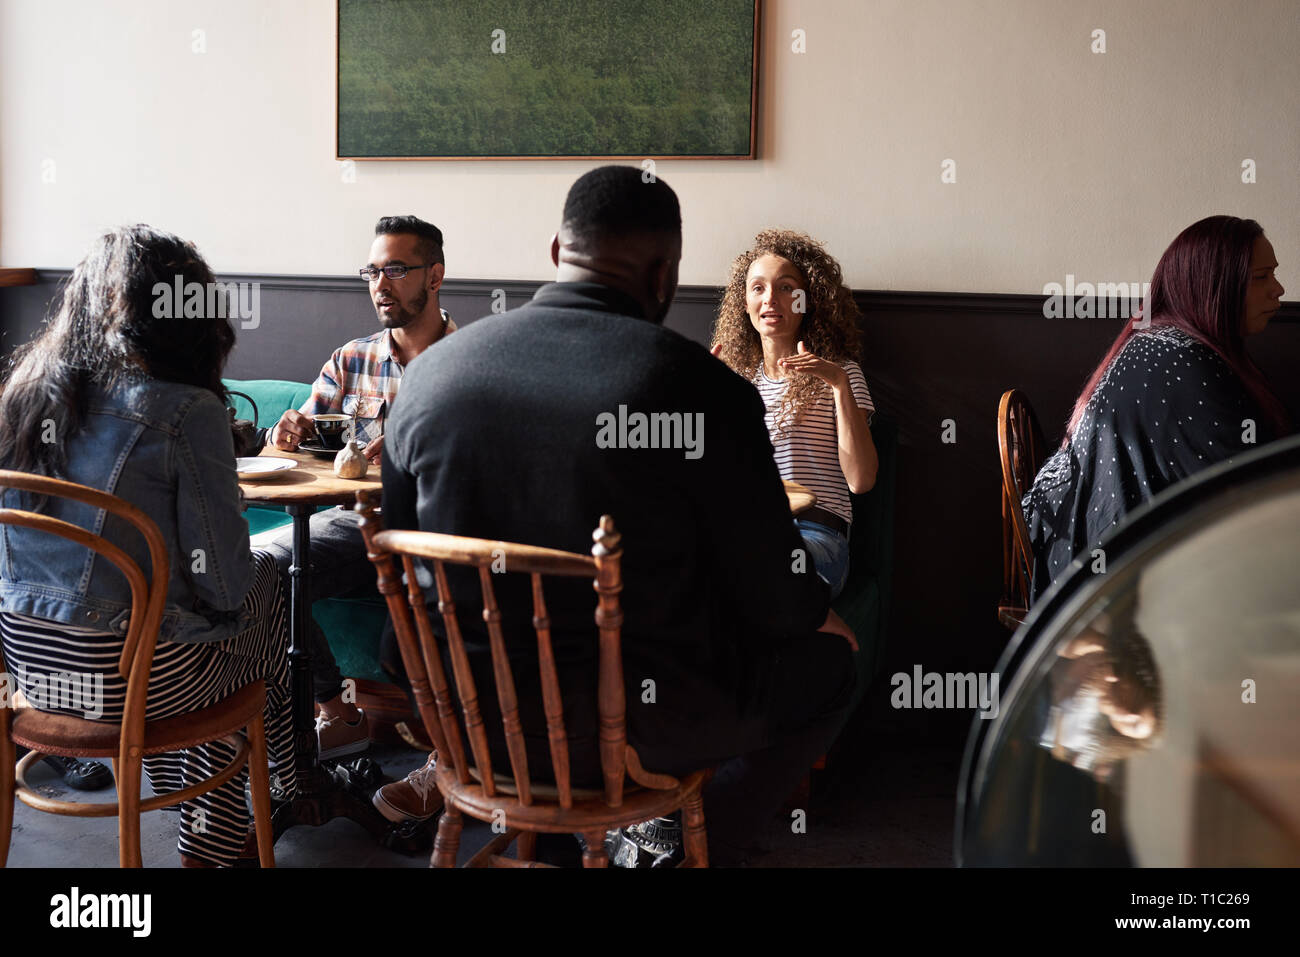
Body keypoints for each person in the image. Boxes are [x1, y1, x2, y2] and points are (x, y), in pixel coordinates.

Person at [376, 166, 858, 864]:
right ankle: (673, 847)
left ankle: (552, 839)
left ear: (555, 252)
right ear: (664, 275)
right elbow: (781, 602)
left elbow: (400, 568)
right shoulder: (704, 391)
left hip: (463, 716)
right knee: (834, 660)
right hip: (636, 725)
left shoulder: (429, 377)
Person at [0, 225, 296, 867]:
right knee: (261, 591)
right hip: (132, 684)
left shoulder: (25, 396)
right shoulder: (187, 411)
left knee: (203, 627)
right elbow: (224, 585)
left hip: (31, 670)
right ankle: (244, 820)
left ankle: (252, 795)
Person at [262, 215, 456, 760]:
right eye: (372, 271)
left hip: (434, 529)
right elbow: (290, 448)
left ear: (434, 276)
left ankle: (455, 758)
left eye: (395, 268)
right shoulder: (353, 358)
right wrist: (289, 431)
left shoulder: (470, 361)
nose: (380, 283)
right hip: (354, 523)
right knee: (257, 570)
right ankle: (336, 710)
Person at [1024, 215, 1289, 603]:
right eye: (1262, 277)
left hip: (1072, 540)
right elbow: (1246, 493)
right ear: (1214, 286)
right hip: (1084, 571)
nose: (1278, 290)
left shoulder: (1166, 340)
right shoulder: (1182, 363)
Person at [711, 229, 878, 598]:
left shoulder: (842, 372)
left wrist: (838, 385)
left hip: (817, 536)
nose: (771, 299)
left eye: (786, 287)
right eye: (758, 288)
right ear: (744, 302)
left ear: (807, 299)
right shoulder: (735, 380)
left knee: (760, 569)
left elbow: (861, 481)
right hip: (747, 529)